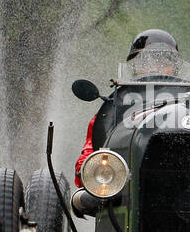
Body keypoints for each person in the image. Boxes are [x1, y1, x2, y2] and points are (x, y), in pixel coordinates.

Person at [74, 29, 181, 190]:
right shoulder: (116, 106)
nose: (154, 68)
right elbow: (90, 155)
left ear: (175, 67)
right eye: (146, 62)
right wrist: (92, 168)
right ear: (134, 66)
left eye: (163, 62)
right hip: (123, 185)